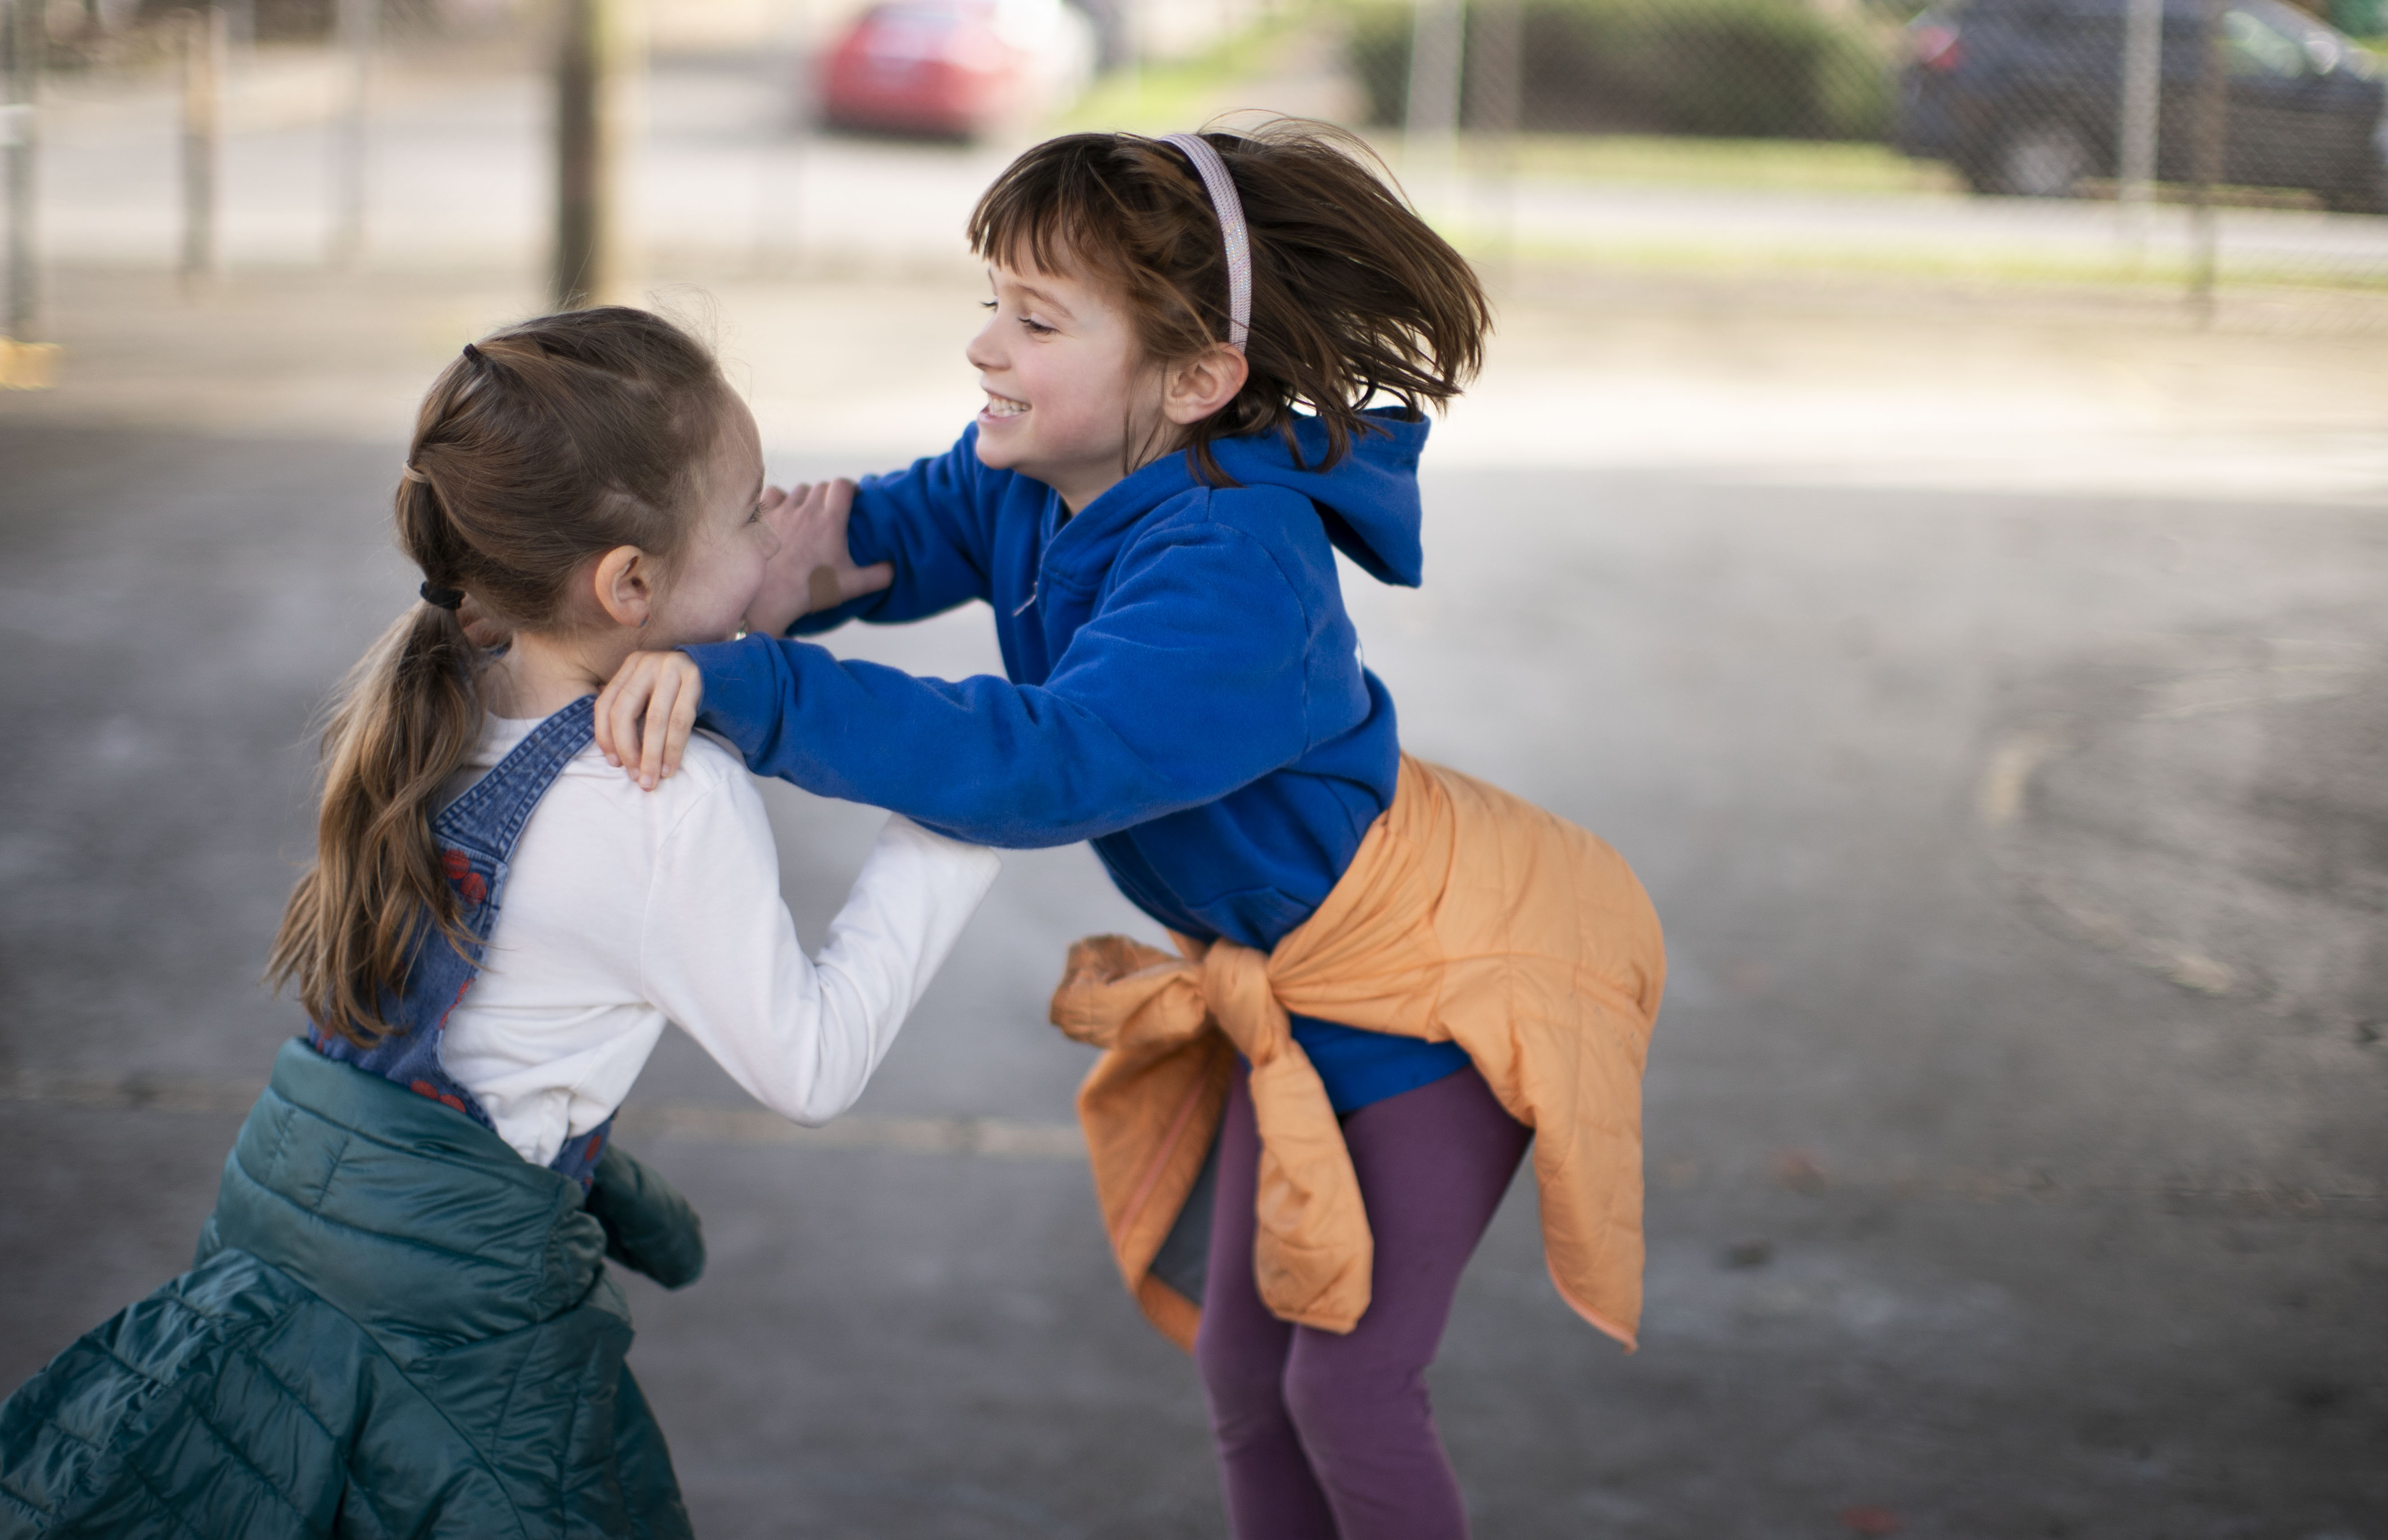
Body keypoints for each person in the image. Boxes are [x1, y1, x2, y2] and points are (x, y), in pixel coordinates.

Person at [597, 123, 1665, 1540]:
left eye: (1035, 319)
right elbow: (886, 532)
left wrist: (760, 684)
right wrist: (743, 574)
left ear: (1197, 379)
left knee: (1350, 1387)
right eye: (989, 298)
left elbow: (1051, 761)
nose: (984, 345)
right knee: (1243, 1363)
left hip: (1440, 993)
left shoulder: (1237, 569)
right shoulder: (1038, 480)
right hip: (1278, 986)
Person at [0, 307, 1001, 1539]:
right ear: (628, 580)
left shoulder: (436, 702)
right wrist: (965, 811)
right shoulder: (662, 795)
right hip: (453, 1344)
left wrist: (752, 604)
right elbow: (811, 1064)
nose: (779, 521)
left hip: (292, 1253)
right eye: (749, 511)